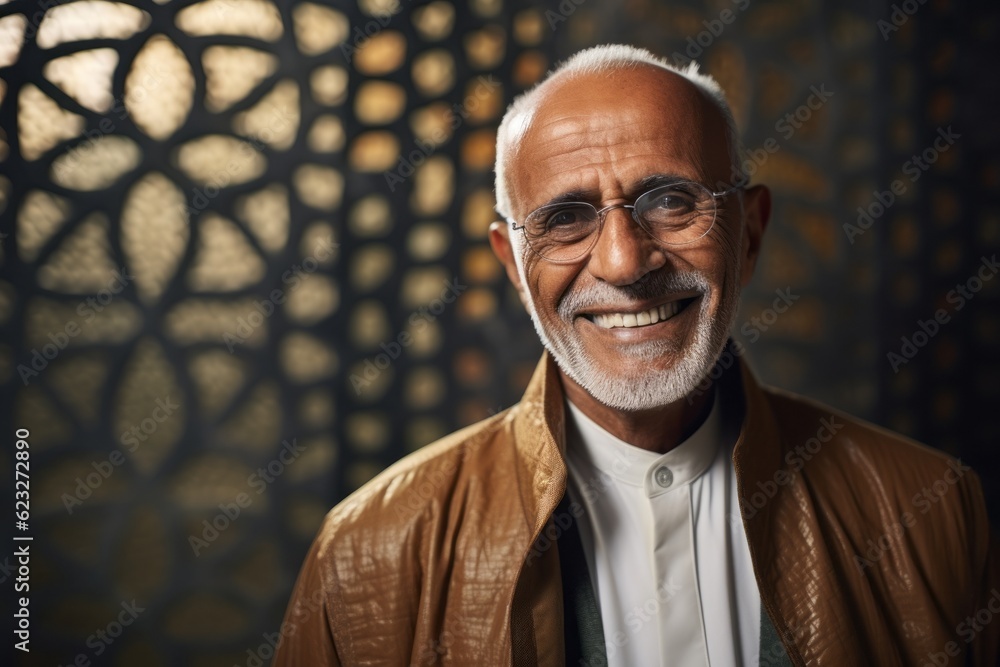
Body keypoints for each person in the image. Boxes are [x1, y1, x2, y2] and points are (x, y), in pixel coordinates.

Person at [273, 44, 998, 666]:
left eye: (671, 200)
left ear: (747, 233)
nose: (623, 262)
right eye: (564, 219)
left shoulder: (929, 511)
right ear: (513, 267)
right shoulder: (371, 551)